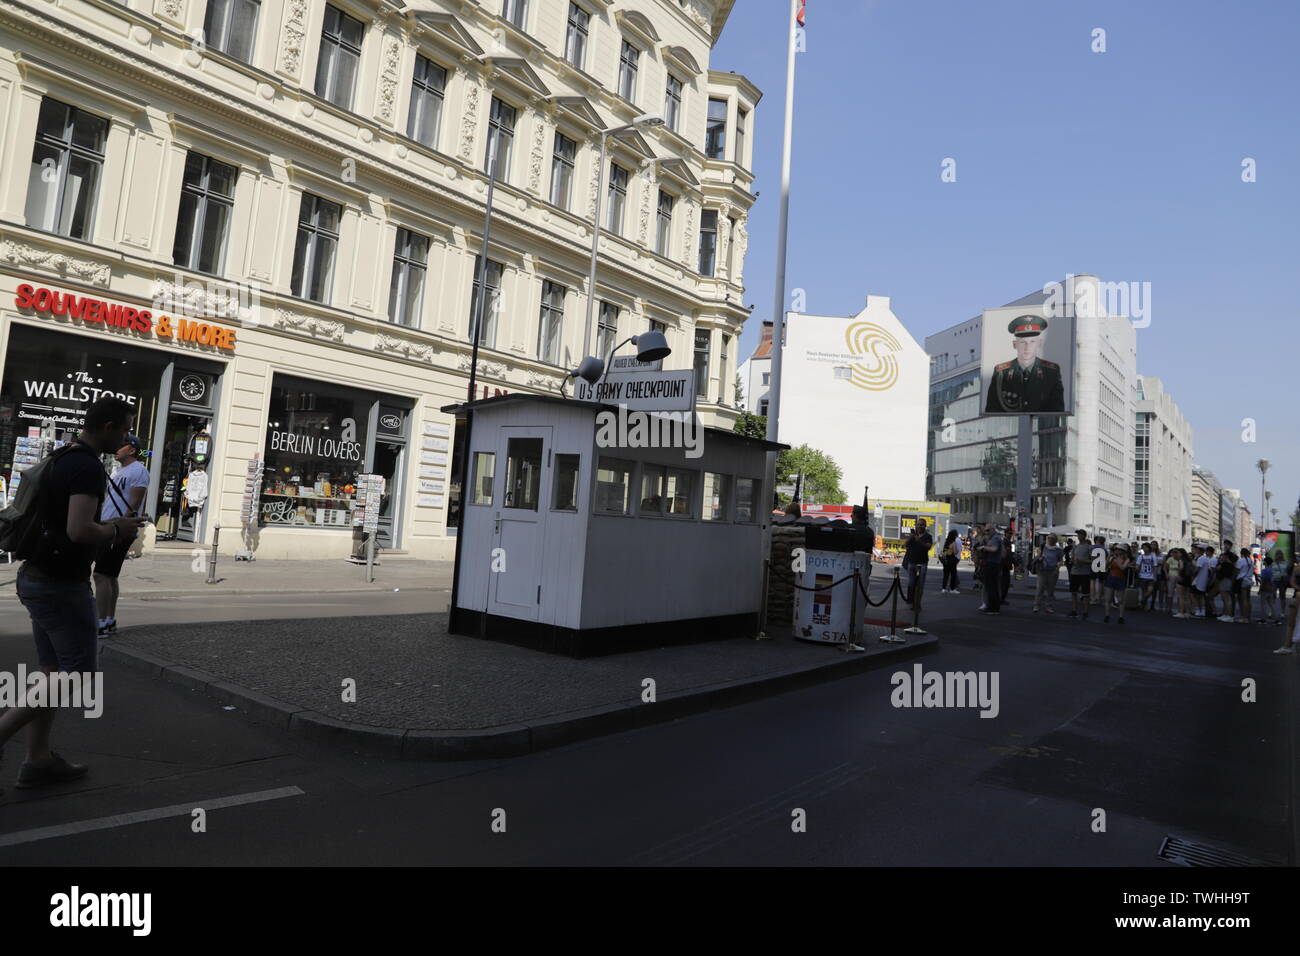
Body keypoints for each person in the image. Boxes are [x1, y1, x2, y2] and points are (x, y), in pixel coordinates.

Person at [0, 397, 147, 791]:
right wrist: (118, 528)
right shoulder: (86, 467)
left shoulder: (65, 455)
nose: (127, 438)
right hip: (60, 584)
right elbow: (79, 530)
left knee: (52, 672)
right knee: (79, 674)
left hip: (37, 574)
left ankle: (38, 760)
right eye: (125, 429)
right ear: (110, 427)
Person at [93, 434, 151, 637]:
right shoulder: (120, 470)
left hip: (118, 529)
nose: (117, 447)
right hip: (110, 526)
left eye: (121, 445)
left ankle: (101, 623)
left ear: (132, 449)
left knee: (101, 575)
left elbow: (134, 503)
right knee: (109, 575)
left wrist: (121, 526)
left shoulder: (139, 471)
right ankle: (108, 620)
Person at [984, 315, 1065, 413]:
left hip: (1041, 427)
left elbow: (1057, 410)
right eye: (1023, 342)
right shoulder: (1001, 372)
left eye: (1032, 342)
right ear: (1015, 344)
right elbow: (991, 409)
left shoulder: (1051, 371)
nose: (1027, 347)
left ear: (1039, 343)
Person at [902, 519, 933, 635]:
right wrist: (911, 538)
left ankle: (917, 604)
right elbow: (906, 545)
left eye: (921, 525)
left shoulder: (928, 536)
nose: (919, 527)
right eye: (918, 525)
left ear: (925, 526)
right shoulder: (913, 535)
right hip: (912, 562)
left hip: (922, 563)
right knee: (911, 583)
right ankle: (911, 600)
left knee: (920, 584)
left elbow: (928, 547)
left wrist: (918, 540)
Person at [1067, 529, 1094, 620]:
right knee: (1073, 592)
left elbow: (1093, 561)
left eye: (1080, 534)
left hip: (1084, 573)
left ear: (1084, 535)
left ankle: (1085, 612)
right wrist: (1072, 561)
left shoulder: (1089, 547)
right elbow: (1073, 558)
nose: (1078, 536)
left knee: (1086, 594)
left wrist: (1082, 561)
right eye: (1078, 534)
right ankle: (1074, 610)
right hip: (1075, 572)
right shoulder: (1075, 547)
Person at [1033, 534, 1062, 614]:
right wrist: (1039, 558)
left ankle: (1048, 606)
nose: (1050, 539)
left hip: (1053, 571)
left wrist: (1058, 567)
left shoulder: (1058, 550)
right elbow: (1036, 557)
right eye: (1048, 538)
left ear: (1055, 540)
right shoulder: (1043, 547)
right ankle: (1036, 605)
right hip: (1042, 571)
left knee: (1050, 590)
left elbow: (1060, 560)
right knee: (1040, 589)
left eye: (1052, 538)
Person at [1103, 544, 1131, 624]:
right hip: (1111, 578)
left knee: (1120, 600)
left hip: (1120, 579)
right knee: (1108, 598)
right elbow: (1105, 566)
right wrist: (1109, 558)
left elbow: (1122, 568)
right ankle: (1107, 615)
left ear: (1123, 551)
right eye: (1116, 549)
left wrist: (1117, 559)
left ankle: (1121, 616)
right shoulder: (1112, 557)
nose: (1116, 551)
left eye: (1118, 549)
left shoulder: (1126, 559)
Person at [979, 525, 1004, 614]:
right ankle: (992, 607)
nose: (986, 532)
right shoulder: (992, 538)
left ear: (993, 530)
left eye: (988, 530)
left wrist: (984, 547)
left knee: (992, 587)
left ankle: (993, 608)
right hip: (991, 564)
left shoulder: (996, 538)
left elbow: (994, 549)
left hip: (993, 564)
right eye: (986, 530)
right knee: (990, 587)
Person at [1233, 547, 1255, 623]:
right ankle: (1248, 616)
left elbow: (1236, 571)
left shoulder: (1241, 561)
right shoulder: (1250, 561)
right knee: (1248, 599)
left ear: (1241, 553)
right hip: (1249, 580)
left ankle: (1244, 617)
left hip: (1242, 581)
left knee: (1243, 599)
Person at [1192, 545, 1214, 617]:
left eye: (1196, 549)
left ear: (1199, 551)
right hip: (1203, 580)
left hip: (1198, 580)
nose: (1195, 550)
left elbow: (1197, 569)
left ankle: (1198, 610)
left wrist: (1193, 575)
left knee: (1195, 595)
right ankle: (1203, 610)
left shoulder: (1201, 558)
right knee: (1201, 596)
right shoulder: (1206, 559)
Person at [1258, 556, 1280, 625]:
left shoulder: (1264, 571)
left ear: (1265, 562)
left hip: (1265, 588)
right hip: (1272, 588)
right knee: (1272, 604)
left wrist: (1260, 589)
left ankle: (1263, 619)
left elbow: (1263, 581)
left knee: (1263, 604)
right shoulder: (1273, 570)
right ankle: (1276, 619)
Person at [1136, 542, 1158, 611]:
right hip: (1142, 576)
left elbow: (1155, 567)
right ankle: (1143, 606)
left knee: (1150, 591)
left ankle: (1141, 602)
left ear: (1149, 548)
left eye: (1146, 547)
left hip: (1150, 576)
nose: (1145, 549)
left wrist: (1155, 576)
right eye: (1143, 547)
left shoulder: (1152, 556)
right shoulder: (1140, 556)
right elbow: (1137, 565)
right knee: (1143, 591)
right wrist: (1137, 569)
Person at [939, 529, 961, 593]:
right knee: (953, 574)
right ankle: (952, 589)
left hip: (946, 560)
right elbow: (955, 552)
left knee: (946, 575)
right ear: (954, 535)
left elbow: (944, 551)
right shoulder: (953, 542)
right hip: (952, 560)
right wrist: (956, 550)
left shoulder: (946, 542)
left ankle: (944, 588)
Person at [1090, 535, 1107, 606]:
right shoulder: (1104, 549)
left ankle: (1093, 599)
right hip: (1102, 565)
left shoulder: (1092, 547)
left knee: (1092, 581)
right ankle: (1099, 597)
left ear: (1097, 541)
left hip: (1093, 565)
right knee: (1101, 582)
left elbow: (1089, 556)